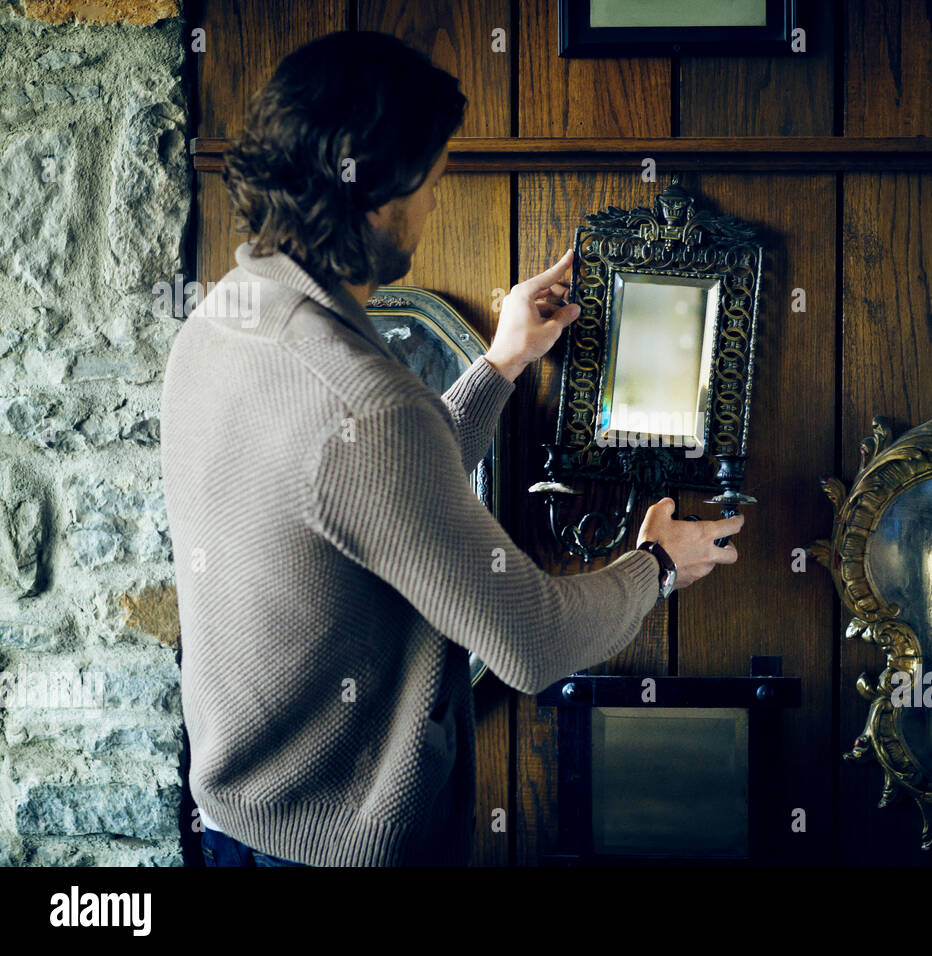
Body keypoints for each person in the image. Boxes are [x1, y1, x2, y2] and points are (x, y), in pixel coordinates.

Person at [159, 30, 743, 867]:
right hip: (339, 849)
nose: (437, 199)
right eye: (431, 180)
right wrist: (655, 565)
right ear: (372, 200)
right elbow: (532, 643)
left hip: (234, 830)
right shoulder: (362, 404)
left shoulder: (219, 318)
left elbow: (364, 489)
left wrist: (500, 364)